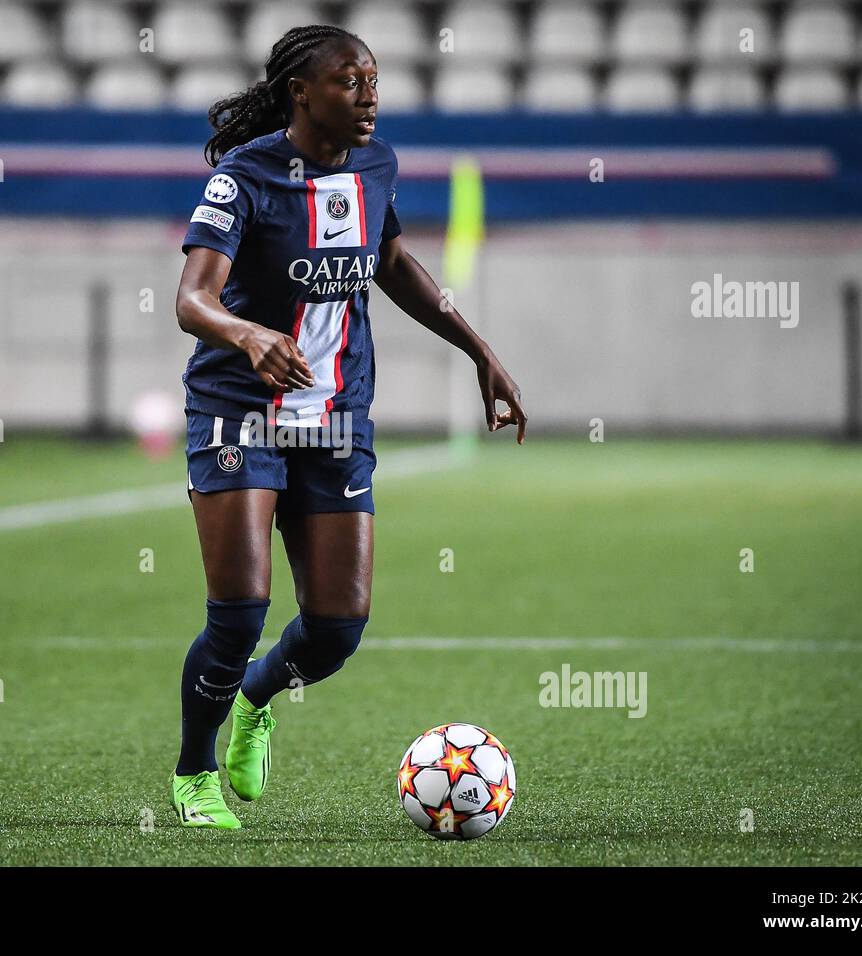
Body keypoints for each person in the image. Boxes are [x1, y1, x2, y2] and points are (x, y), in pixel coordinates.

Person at [170, 24, 527, 828]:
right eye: (348, 80)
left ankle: (258, 698)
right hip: (240, 412)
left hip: (335, 419)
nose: (368, 94)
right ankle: (194, 774)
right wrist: (250, 333)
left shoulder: (376, 166)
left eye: (373, 79)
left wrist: (480, 350)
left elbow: (393, 265)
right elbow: (191, 298)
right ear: (303, 91)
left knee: (336, 629)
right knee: (239, 611)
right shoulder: (245, 175)